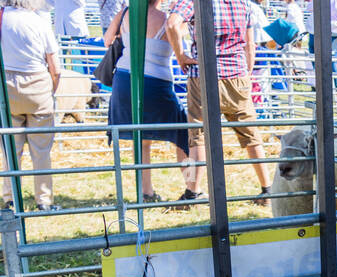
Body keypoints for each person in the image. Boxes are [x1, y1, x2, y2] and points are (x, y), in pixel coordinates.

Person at [167, 0, 272, 202]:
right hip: (237, 74)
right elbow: (250, 44)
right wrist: (247, 73)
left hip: (203, 74)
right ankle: (267, 189)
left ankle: (192, 192)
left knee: (198, 135)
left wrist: (181, 56)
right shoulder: (244, 3)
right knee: (251, 134)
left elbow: (172, 24)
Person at [104, 0, 188, 204]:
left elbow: (107, 40)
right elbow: (181, 41)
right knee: (186, 134)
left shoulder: (125, 13)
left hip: (124, 80)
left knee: (140, 138)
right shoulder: (168, 19)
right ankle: (193, 186)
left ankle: (145, 192)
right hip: (156, 82)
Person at [0, 0, 61, 211]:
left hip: (7, 87)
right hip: (38, 85)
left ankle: (11, 198)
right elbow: (55, 67)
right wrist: (51, 90)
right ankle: (44, 200)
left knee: (11, 149)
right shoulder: (39, 20)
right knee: (41, 150)